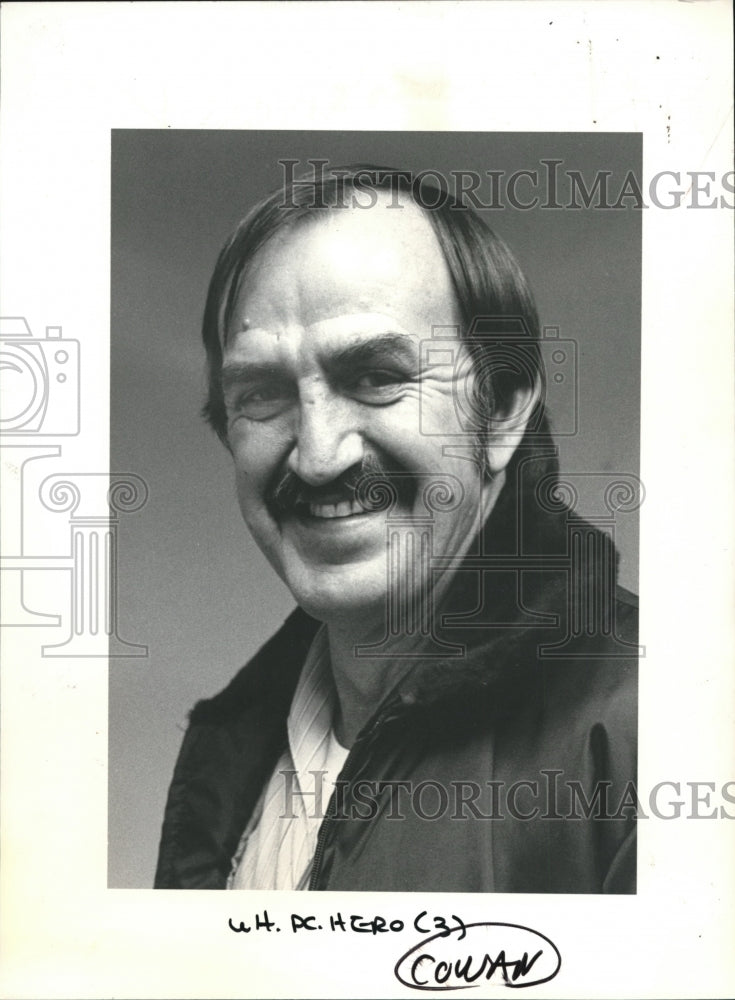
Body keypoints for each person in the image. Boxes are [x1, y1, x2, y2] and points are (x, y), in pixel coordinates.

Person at [154, 164, 638, 892]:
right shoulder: (226, 755)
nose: (318, 456)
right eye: (262, 394)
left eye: (376, 377)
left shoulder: (666, 730)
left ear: (502, 406)